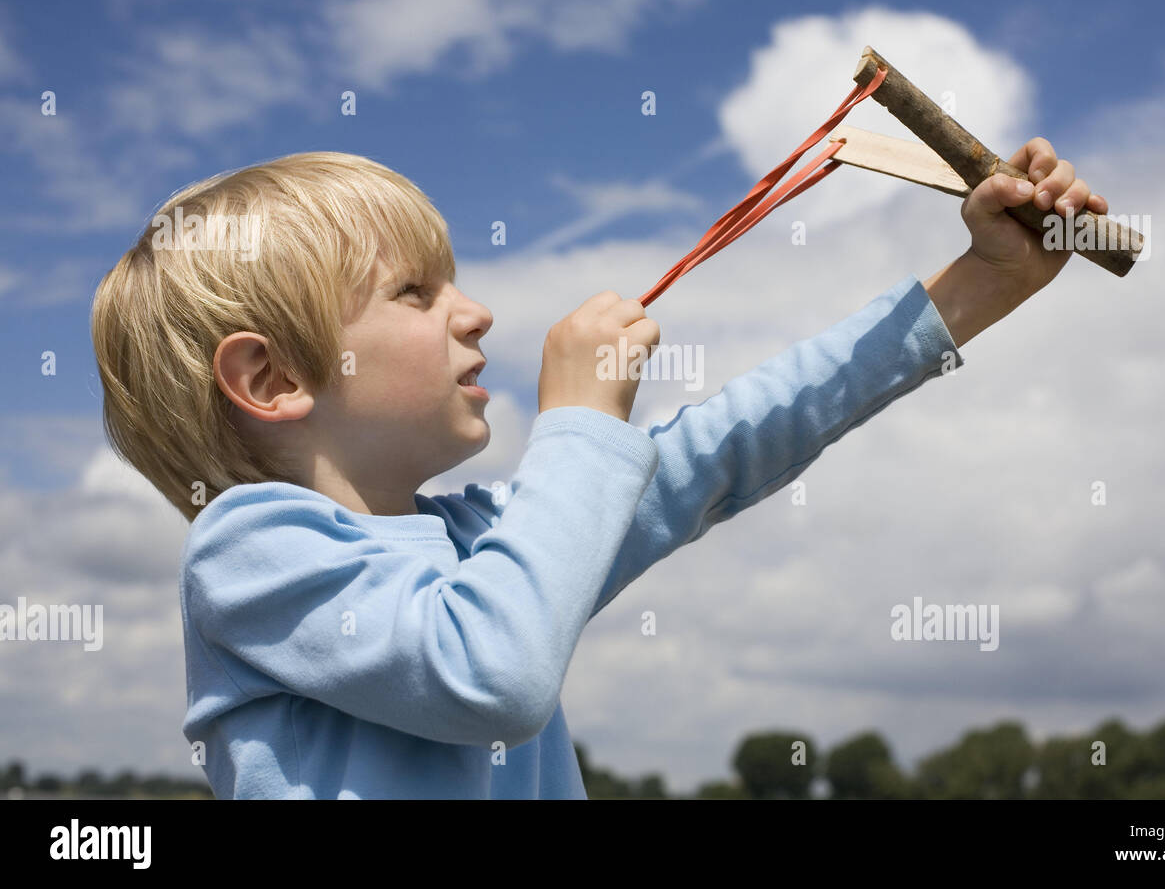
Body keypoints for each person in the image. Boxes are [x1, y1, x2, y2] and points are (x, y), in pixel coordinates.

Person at [90, 141, 1105, 798]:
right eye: (414, 291)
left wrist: (979, 285)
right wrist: (576, 420)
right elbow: (489, 670)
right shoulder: (250, 547)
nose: (475, 310)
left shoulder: (489, 542)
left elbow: (729, 444)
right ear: (269, 376)